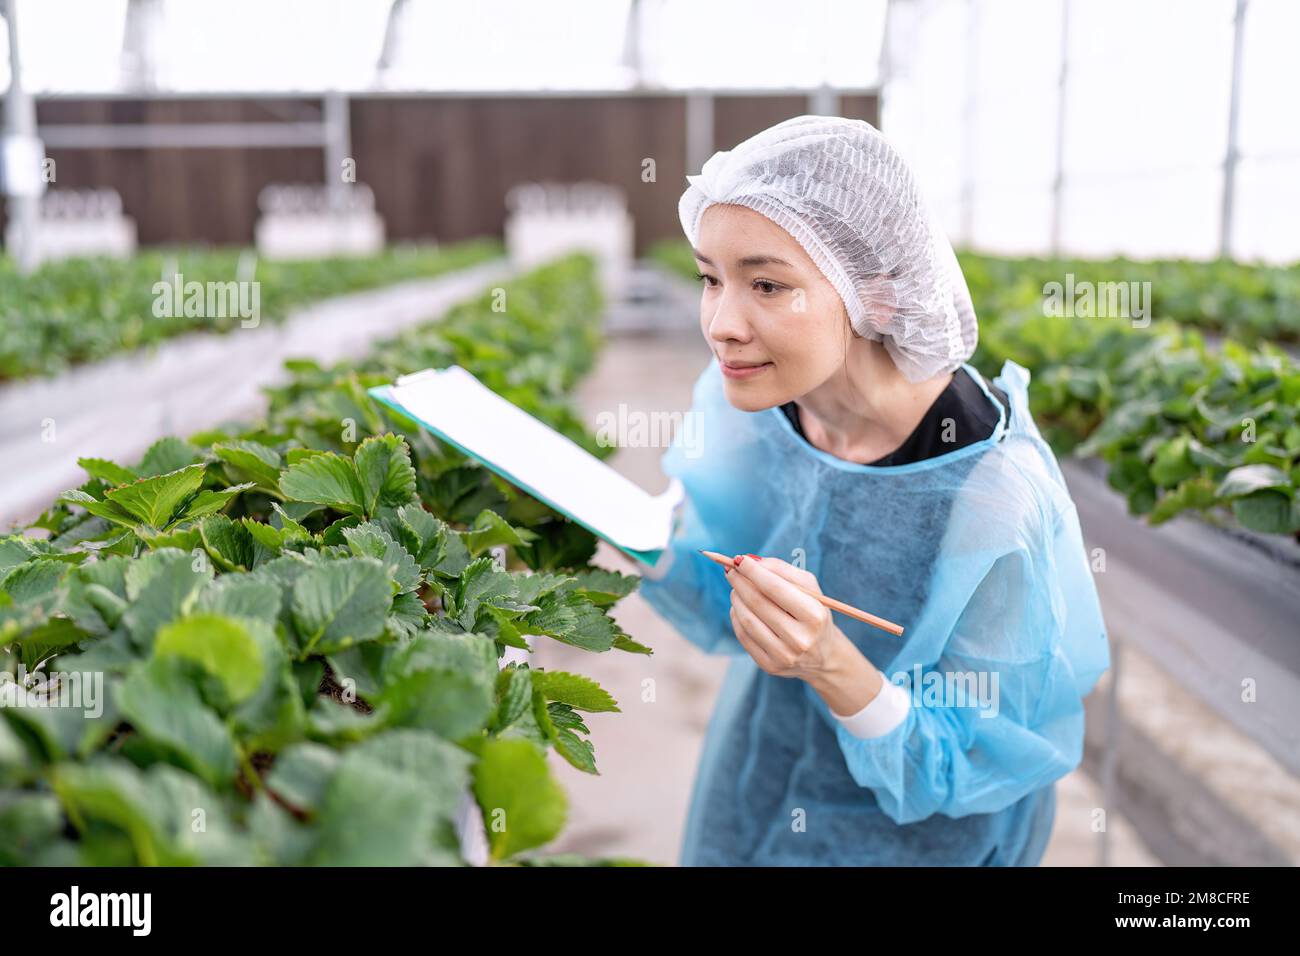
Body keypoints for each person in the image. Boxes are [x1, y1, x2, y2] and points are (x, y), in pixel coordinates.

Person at [638, 115, 1111, 866]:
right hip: (755, 786)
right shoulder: (762, 404)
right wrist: (627, 532)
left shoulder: (994, 495)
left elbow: (966, 762)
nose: (722, 324)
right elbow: (713, 579)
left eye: (767, 284)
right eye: (710, 278)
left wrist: (829, 659)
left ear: (880, 299)